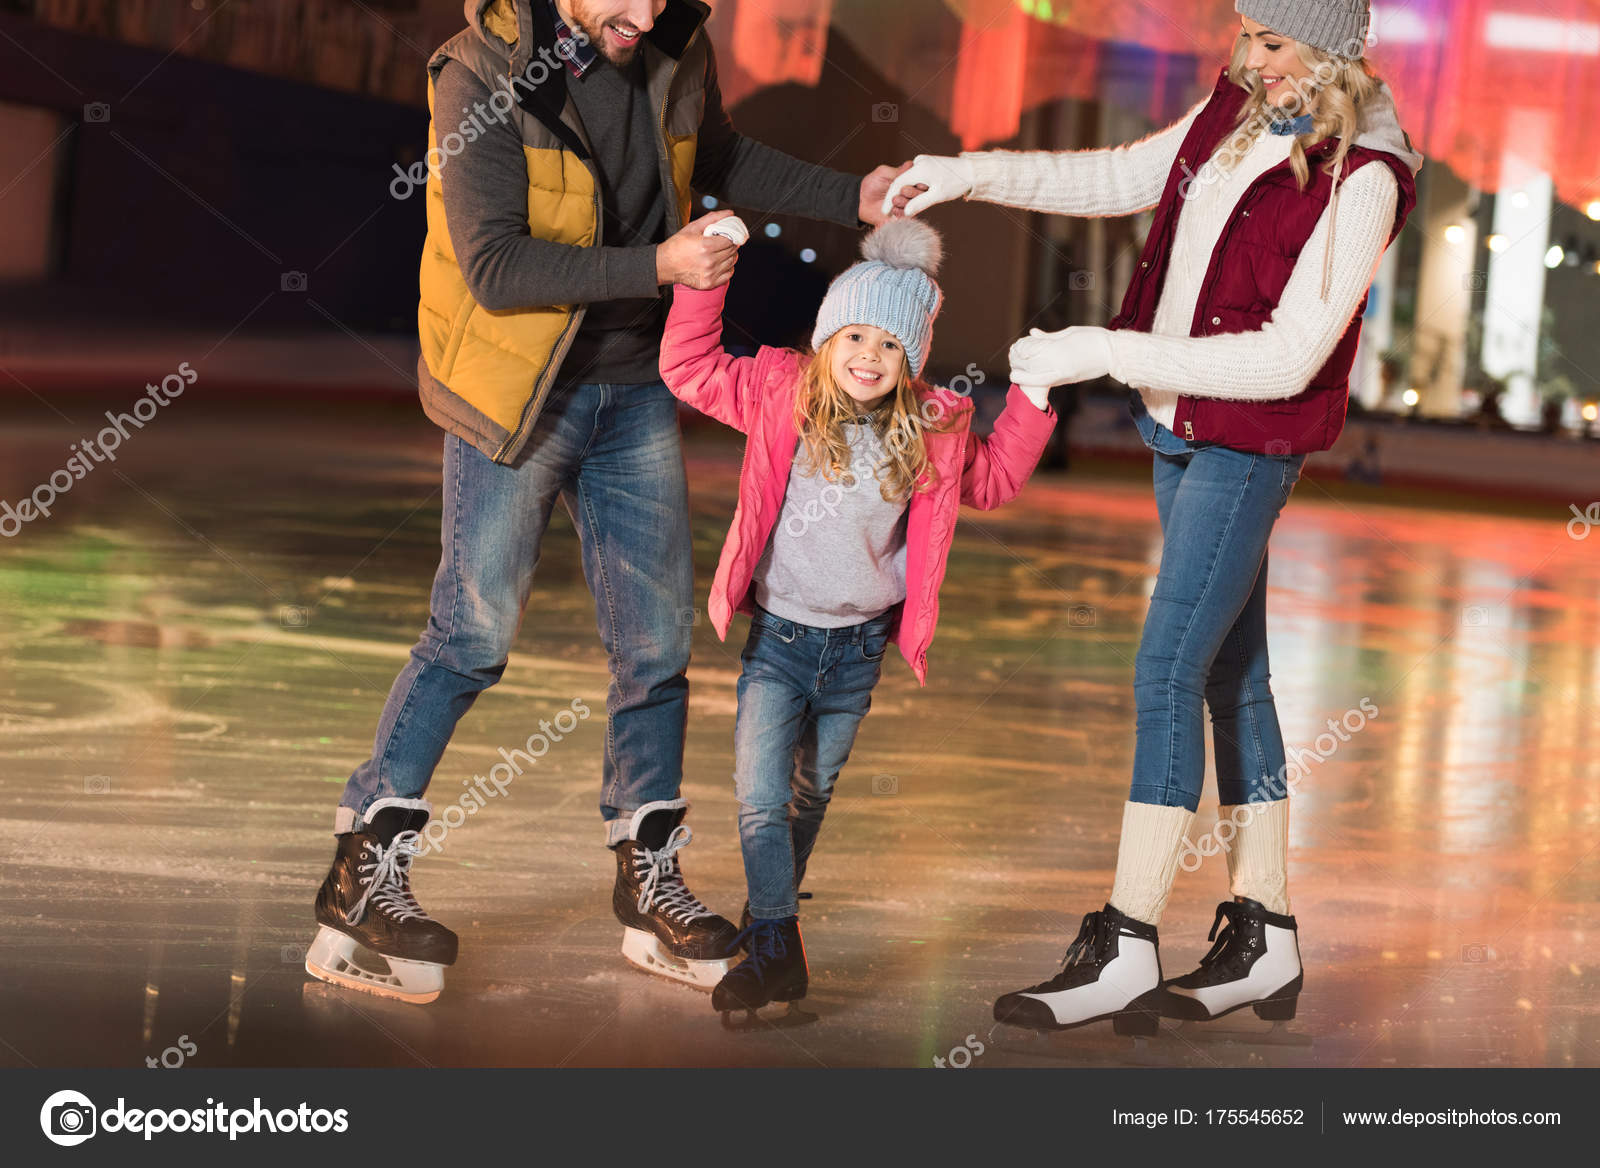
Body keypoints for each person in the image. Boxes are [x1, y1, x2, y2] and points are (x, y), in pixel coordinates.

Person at [307, 0, 910, 1004]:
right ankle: (361, 875)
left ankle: (648, 876)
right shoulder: (477, 73)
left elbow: (719, 156)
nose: (639, 13)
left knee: (654, 644)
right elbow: (496, 268)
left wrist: (861, 196)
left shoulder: (673, 47)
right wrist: (661, 266)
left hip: (631, 388)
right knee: (471, 636)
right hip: (513, 396)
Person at [887, 0, 1421, 1033]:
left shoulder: (1366, 177)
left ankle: (1127, 939)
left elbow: (1286, 354)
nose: (1250, 59)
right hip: (1177, 434)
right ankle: (1263, 936)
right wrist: (967, 172)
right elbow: (1120, 176)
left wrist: (1105, 349)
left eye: (1272, 42)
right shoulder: (1242, 110)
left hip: (1242, 443)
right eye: (1245, 36)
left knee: (1166, 670)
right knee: (1232, 671)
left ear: (1334, 46)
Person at [658, 216, 1056, 1019]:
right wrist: (706, 282)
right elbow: (689, 368)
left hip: (857, 652)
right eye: (854, 336)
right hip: (779, 640)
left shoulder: (933, 429)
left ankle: (768, 939)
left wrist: (1035, 396)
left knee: (807, 798)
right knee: (760, 796)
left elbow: (996, 481)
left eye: (889, 344)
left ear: (911, 358)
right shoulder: (780, 394)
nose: (869, 356)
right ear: (826, 339)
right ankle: (775, 940)